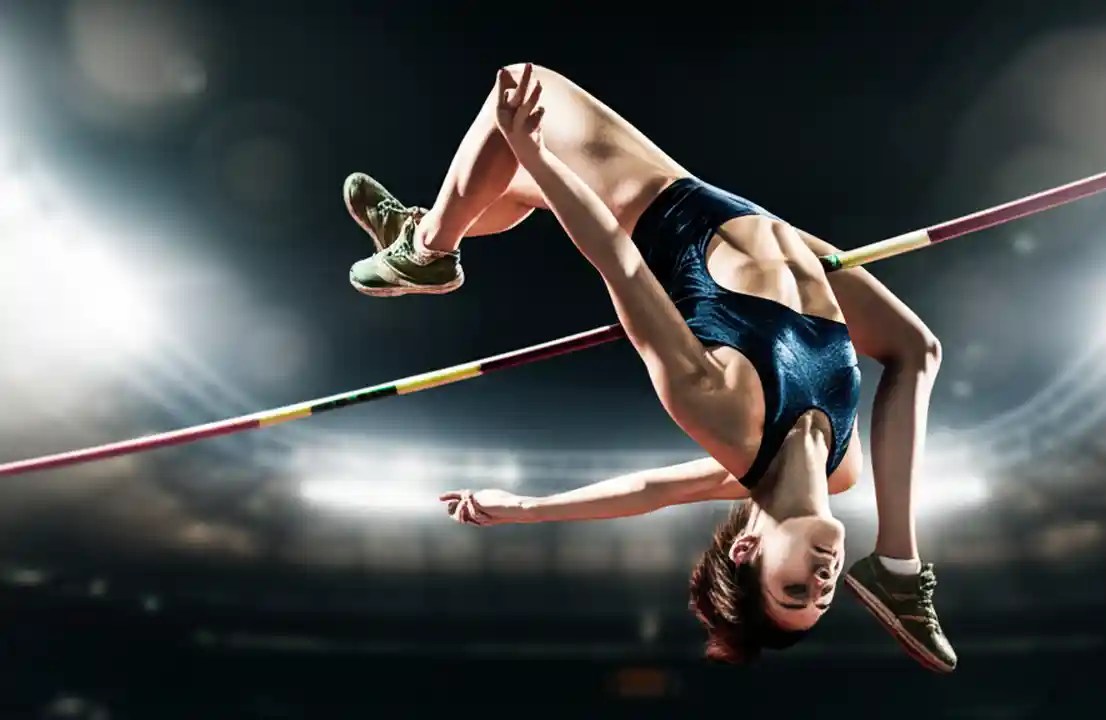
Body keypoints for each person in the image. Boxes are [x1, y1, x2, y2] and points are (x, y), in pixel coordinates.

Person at [343, 63, 953, 670]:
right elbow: (655, 493)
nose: (821, 583)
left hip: (662, 207)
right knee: (917, 349)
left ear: (748, 548)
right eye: (822, 599)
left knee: (518, 94)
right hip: (781, 239)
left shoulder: (722, 415)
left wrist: (526, 509)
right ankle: (900, 569)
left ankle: (426, 252)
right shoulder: (843, 469)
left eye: (795, 589)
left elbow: (620, 263)